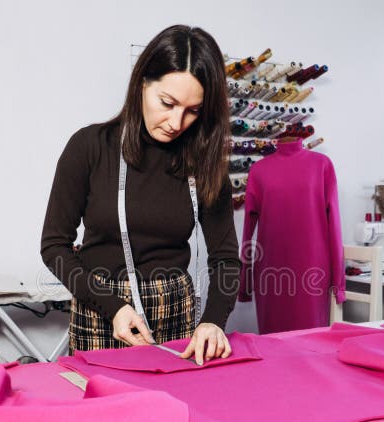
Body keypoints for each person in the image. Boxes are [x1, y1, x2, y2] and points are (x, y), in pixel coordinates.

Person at [41, 25, 240, 365]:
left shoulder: (203, 162)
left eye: (193, 111)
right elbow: (54, 247)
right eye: (167, 102)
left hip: (176, 314)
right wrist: (113, 307)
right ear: (142, 83)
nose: (176, 122)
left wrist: (212, 322)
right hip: (102, 313)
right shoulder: (90, 147)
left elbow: (225, 259)